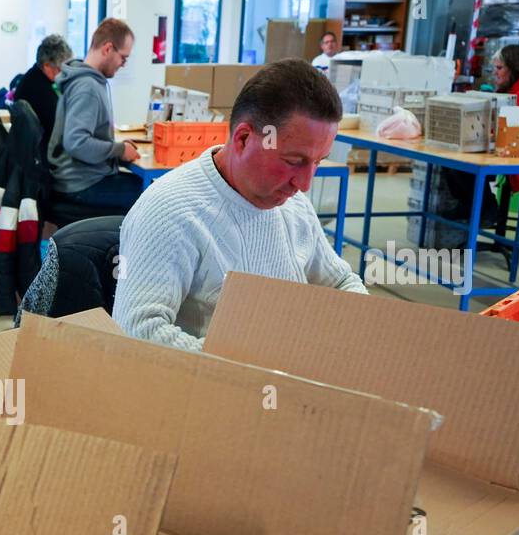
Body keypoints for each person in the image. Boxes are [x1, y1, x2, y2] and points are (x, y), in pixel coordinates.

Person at [114, 58, 366, 352]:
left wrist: (362, 323)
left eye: (317, 162)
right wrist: (250, 366)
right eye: (293, 161)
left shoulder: (292, 204)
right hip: (206, 387)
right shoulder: (170, 211)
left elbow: (340, 282)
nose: (305, 183)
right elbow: (137, 332)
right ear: (244, 138)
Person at [440, 44, 519, 225]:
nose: (496, 73)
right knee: (450, 152)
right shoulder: (518, 85)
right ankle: (470, 204)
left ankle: (485, 208)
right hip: (510, 143)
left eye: (500, 68)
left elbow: (511, 121)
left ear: (514, 67)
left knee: (464, 157)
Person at [48, 18, 143, 214]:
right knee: (150, 197)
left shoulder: (87, 81)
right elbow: (77, 142)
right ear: (108, 49)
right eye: (123, 58)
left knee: (143, 187)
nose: (123, 65)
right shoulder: (87, 87)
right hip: (80, 183)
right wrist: (119, 150)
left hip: (79, 178)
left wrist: (121, 151)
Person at [12, 34, 73, 154]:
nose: (64, 75)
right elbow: (59, 129)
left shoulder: (32, 78)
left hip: (34, 155)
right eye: (61, 70)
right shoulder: (39, 89)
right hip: (45, 157)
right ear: (46, 65)